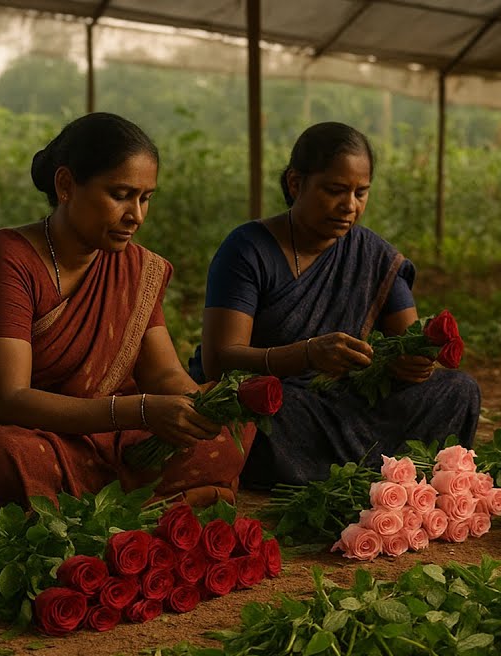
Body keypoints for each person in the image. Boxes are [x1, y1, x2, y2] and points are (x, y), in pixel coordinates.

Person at [192, 122, 480, 488]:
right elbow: (219, 360)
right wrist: (307, 355)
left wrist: (413, 363)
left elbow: (408, 343)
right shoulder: (248, 249)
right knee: (254, 417)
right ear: (296, 184)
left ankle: (368, 470)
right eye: (335, 190)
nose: (350, 206)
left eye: (361, 192)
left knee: (458, 390)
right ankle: (375, 468)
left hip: (348, 402)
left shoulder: (373, 255)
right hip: (285, 405)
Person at [0, 112, 250, 507]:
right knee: (10, 456)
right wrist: (140, 411)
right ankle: (154, 503)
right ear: (65, 185)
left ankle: (127, 503)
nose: (136, 215)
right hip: (33, 432)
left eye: (145, 198)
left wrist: (200, 407)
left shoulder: (137, 268)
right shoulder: (11, 259)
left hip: (110, 437)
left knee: (227, 435)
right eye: (120, 195)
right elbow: (10, 398)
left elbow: (162, 371)